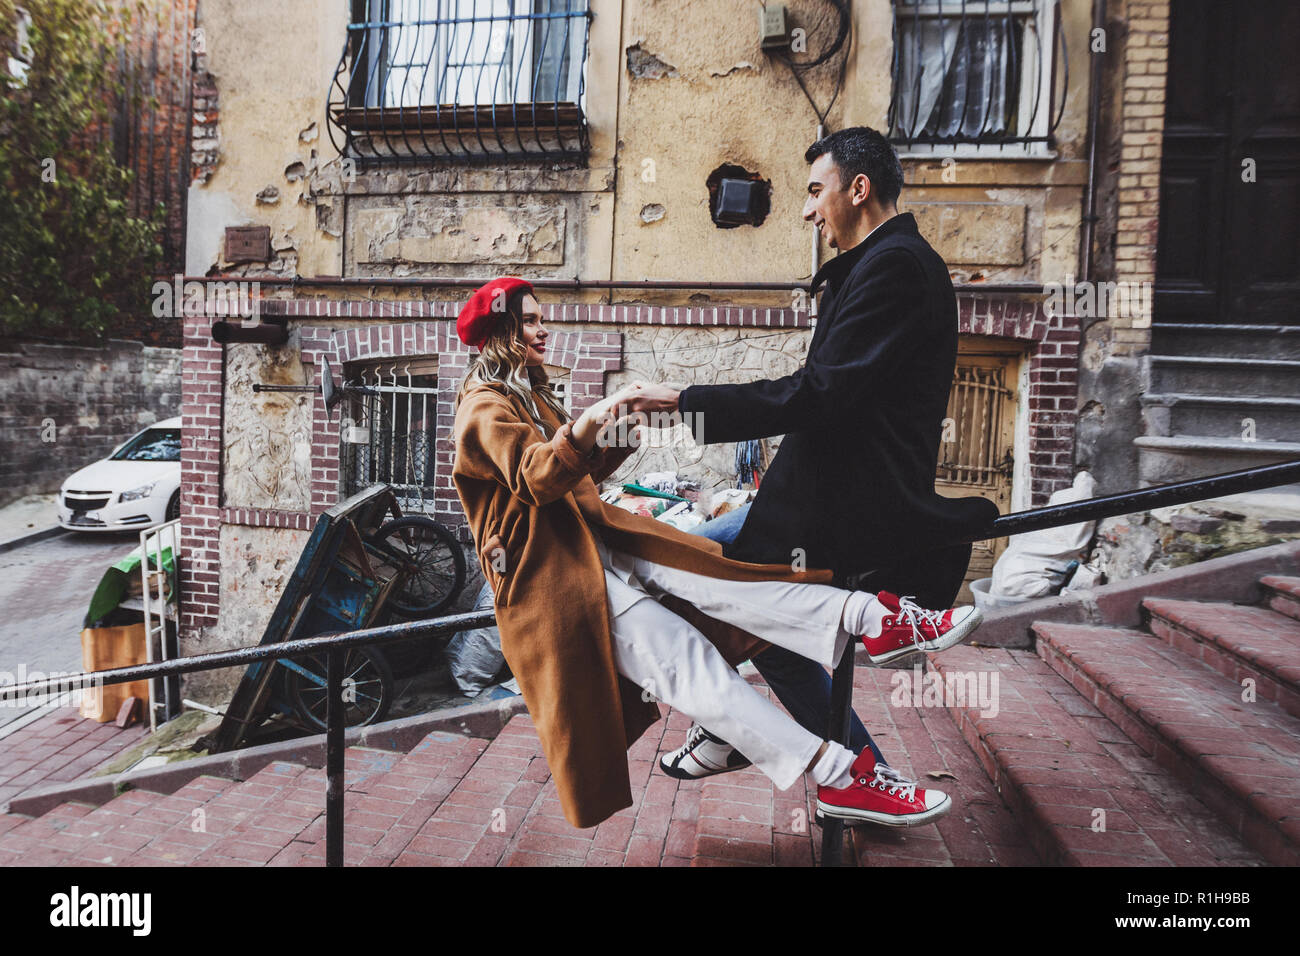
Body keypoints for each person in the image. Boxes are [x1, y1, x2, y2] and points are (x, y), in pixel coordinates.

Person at [451, 275, 983, 831]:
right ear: (502, 332)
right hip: (555, 579)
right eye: (530, 321)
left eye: (540, 318)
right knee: (694, 668)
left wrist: (620, 438)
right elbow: (537, 480)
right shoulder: (482, 408)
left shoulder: (528, 395)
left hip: (598, 546)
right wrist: (586, 425)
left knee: (727, 583)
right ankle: (841, 776)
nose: (543, 329)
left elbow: (572, 479)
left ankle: (878, 620)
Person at [623, 127, 1000, 795]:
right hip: (814, 501)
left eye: (815, 190)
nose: (806, 209)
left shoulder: (897, 267)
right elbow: (827, 392)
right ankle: (855, 775)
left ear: (860, 189)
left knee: (679, 577)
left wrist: (685, 401)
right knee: (725, 604)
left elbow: (821, 393)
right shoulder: (882, 264)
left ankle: (754, 737)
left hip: (840, 508)